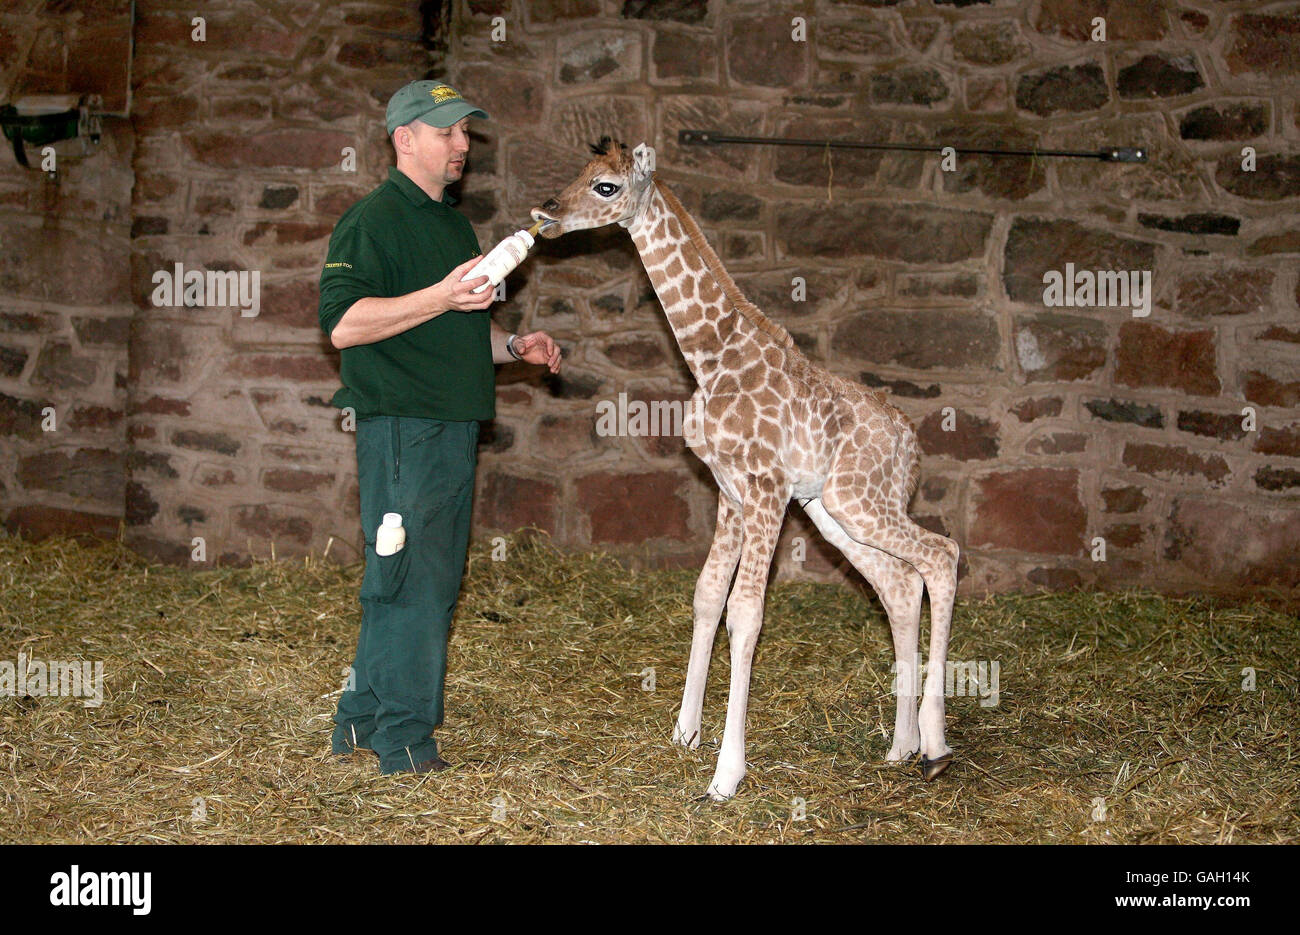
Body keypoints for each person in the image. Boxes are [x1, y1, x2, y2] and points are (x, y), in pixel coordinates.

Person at [317, 80, 561, 775]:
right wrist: (441, 295)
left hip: (452, 428)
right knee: (413, 584)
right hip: (402, 429)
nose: (462, 144)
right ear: (406, 139)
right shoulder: (370, 222)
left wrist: (512, 348)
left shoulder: (453, 226)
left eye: (466, 133)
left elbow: (455, 329)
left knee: (418, 580)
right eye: (449, 131)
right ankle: (405, 741)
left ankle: (359, 722)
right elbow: (342, 324)